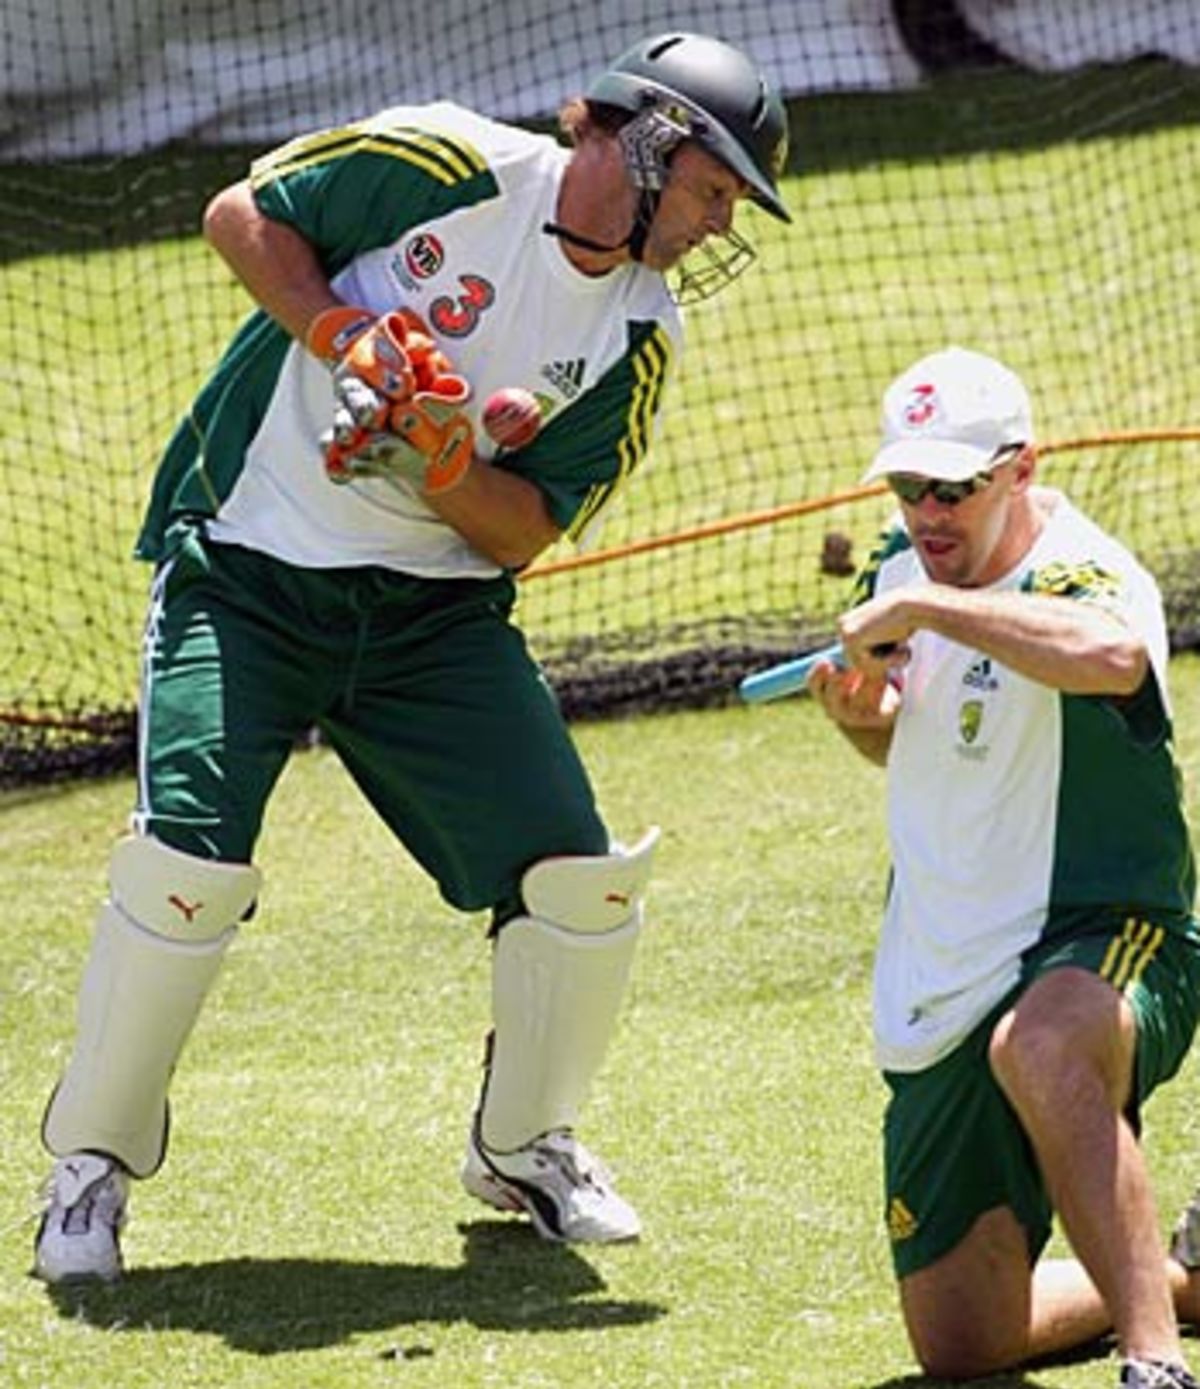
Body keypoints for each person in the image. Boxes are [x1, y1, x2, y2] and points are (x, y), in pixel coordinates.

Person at [32, 32, 791, 1281]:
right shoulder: (448, 160)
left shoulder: (641, 337)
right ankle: (90, 1172)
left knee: (581, 889)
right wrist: (348, 338)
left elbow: (524, 531)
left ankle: (520, 1146)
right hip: (250, 567)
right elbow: (243, 216)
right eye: (712, 189)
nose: (717, 226)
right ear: (639, 141)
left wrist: (439, 458)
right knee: (185, 873)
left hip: (432, 618)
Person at [808, 346, 1200, 1389]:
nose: (926, 512)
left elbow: (1111, 656)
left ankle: (1155, 1365)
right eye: (907, 485)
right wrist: (866, 721)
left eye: (953, 487)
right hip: (945, 966)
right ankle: (1184, 1283)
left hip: (1108, 930)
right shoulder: (901, 562)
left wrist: (929, 611)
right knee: (965, 1344)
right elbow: (914, 732)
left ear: (1021, 469)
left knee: (1042, 1044)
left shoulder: (1086, 568)